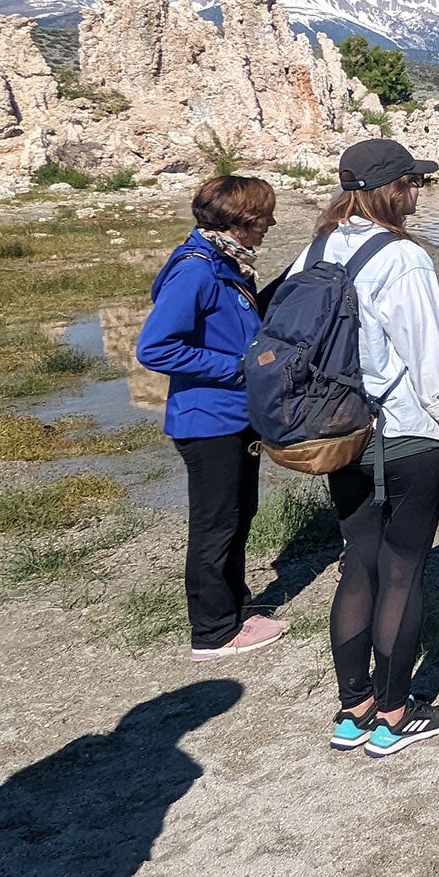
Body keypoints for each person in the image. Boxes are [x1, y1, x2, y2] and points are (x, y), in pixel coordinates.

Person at [285, 138, 439, 758]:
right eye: (413, 181)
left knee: (358, 562)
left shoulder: (317, 248)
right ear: (391, 189)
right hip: (406, 431)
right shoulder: (403, 258)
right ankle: (395, 716)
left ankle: (354, 708)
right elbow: (427, 355)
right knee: (403, 570)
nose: (419, 190)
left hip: (341, 431)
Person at [136, 173, 289, 661]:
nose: (270, 225)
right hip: (207, 420)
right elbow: (154, 348)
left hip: (233, 416)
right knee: (216, 525)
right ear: (241, 221)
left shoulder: (225, 262)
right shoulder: (196, 271)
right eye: (264, 217)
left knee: (239, 514)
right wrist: (237, 367)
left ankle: (234, 608)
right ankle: (213, 633)